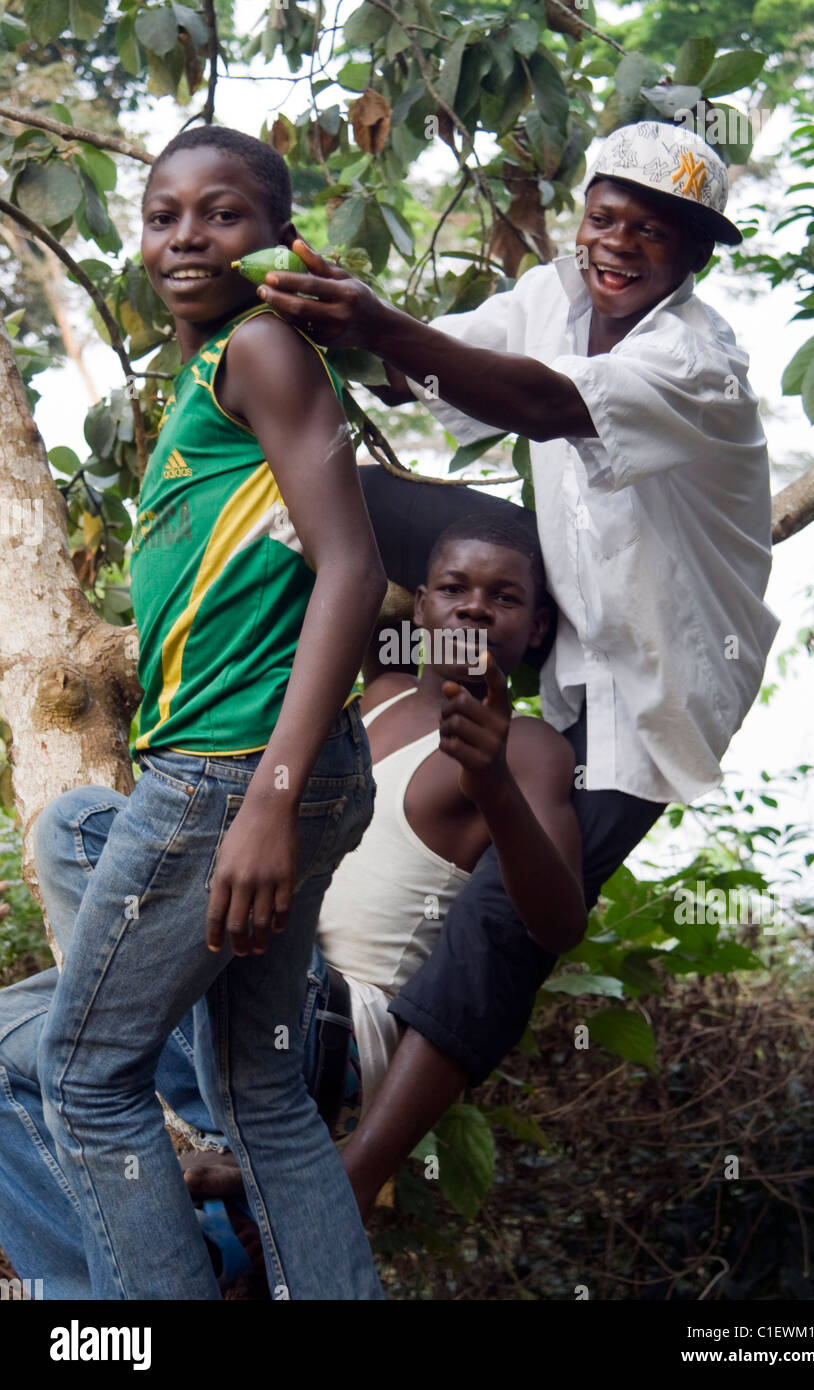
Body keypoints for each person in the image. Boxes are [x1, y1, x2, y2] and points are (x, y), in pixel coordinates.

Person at [256, 119, 781, 1209]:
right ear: (581, 213)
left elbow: (537, 400)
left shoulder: (697, 358)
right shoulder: (548, 295)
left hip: (650, 681)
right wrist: (342, 318)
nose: (618, 242)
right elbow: (436, 364)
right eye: (605, 215)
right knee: (316, 500)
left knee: (513, 913)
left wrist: (389, 325)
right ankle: (291, 670)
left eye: (655, 230)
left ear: (692, 256)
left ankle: (357, 1173)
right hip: (556, 597)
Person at [0, 516, 585, 1293]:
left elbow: (556, 925)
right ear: (419, 611)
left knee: (79, 824)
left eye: (504, 596)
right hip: (243, 969)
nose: (474, 609)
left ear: (537, 625)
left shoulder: (532, 748)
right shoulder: (366, 702)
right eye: (454, 588)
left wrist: (497, 792)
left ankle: (202, 1105)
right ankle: (143, 1275)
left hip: (324, 1028)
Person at [18, 124, 387, 1301]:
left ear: (277, 234)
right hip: (267, 769)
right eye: (163, 214)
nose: (185, 236)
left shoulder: (261, 351)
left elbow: (352, 568)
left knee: (84, 1077)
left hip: (236, 773)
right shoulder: (205, 375)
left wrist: (271, 803)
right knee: (264, 1093)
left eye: (220, 212)